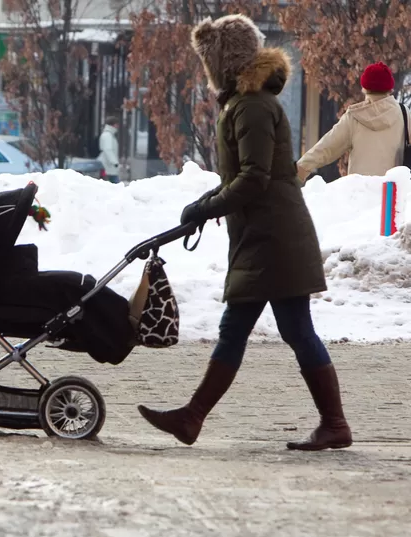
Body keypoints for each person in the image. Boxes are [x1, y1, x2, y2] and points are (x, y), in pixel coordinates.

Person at [136, 14, 353, 452]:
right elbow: (248, 175)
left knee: (261, 328)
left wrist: (205, 206)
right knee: (274, 329)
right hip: (266, 234)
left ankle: (330, 423)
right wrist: (210, 203)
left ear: (223, 62)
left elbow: (254, 178)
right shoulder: (245, 103)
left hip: (271, 239)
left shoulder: (252, 106)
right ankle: (197, 417)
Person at [297, 62, 411, 184]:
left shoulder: (354, 117)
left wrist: (300, 168)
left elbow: (327, 147)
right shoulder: (403, 114)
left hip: (360, 194)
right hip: (392, 196)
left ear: (364, 88)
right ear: (390, 87)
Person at [98, 115, 121, 184]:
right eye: (117, 124)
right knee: (116, 186)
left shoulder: (108, 135)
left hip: (109, 166)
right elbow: (108, 150)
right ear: (113, 125)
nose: (118, 126)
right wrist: (115, 162)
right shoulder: (108, 135)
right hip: (109, 166)